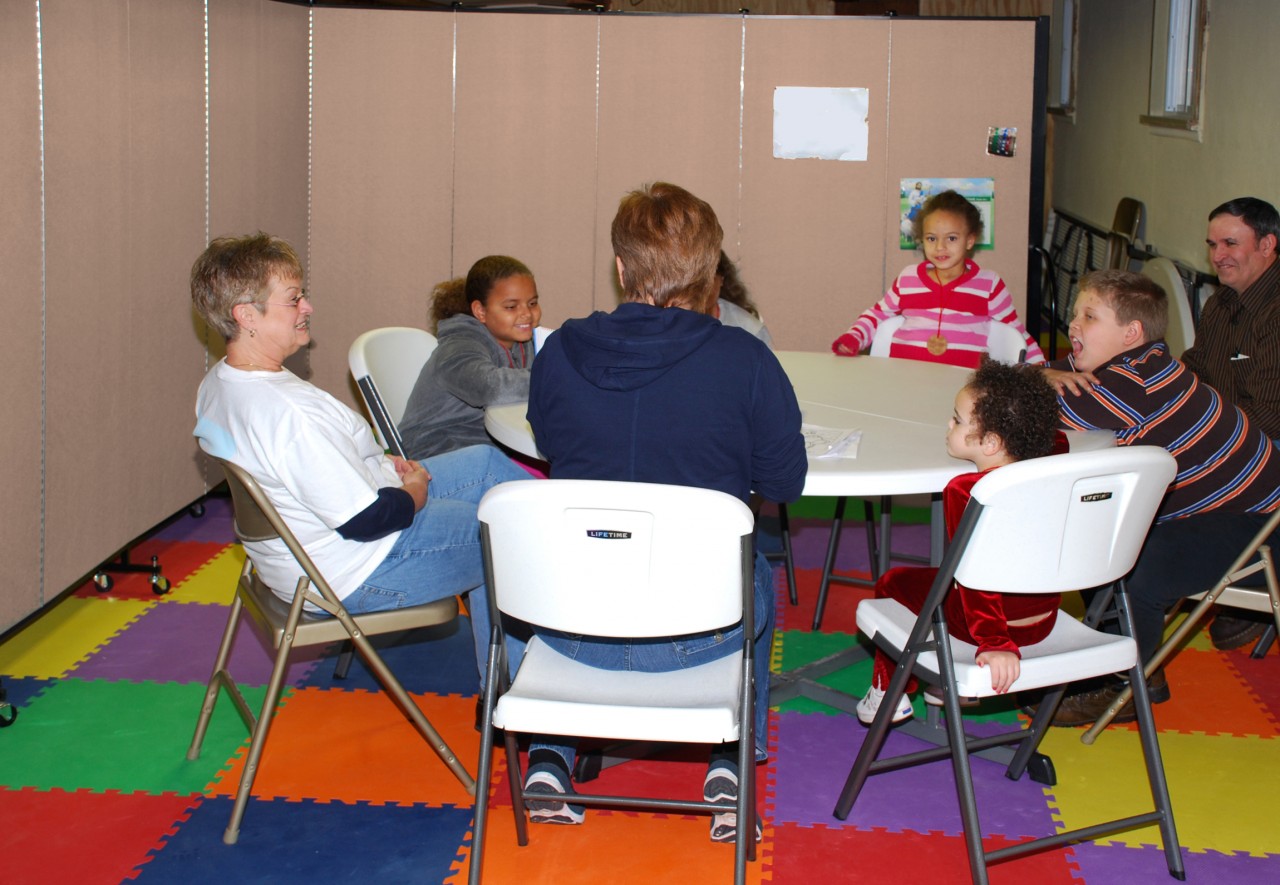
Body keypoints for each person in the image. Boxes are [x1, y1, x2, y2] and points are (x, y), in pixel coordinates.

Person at [523, 182, 807, 842]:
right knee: (756, 568)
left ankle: (548, 757)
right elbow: (784, 482)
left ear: (621, 268)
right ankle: (730, 760)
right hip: (702, 631)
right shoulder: (746, 359)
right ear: (711, 274)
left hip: (572, 626)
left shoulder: (558, 350)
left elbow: (552, 445)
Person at [189, 233, 528, 688]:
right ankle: (514, 690)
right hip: (359, 568)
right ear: (246, 315)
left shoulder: (221, 382)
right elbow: (366, 520)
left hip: (309, 553)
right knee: (513, 532)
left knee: (485, 463)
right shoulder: (286, 414)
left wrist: (382, 465)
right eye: (293, 299)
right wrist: (413, 491)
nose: (307, 307)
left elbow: (314, 470)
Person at [1041, 269, 1280, 726]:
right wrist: (1046, 373)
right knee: (1100, 539)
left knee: (1130, 565)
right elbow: (1052, 379)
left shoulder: (1135, 382)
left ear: (1131, 333)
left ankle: (1125, 685)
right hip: (1240, 510)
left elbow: (1034, 405)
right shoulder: (1134, 360)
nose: (1073, 324)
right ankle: (1129, 664)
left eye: (1089, 316)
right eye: (1076, 313)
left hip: (1264, 530)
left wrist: (1034, 377)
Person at [855, 361, 1062, 725]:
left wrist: (995, 642)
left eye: (957, 420)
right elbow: (1059, 439)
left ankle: (890, 691)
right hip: (1044, 620)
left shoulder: (968, 490)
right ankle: (942, 686)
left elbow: (974, 579)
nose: (949, 425)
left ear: (991, 442)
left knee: (892, 582)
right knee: (945, 578)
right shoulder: (1050, 466)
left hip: (998, 628)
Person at [1181, 198, 1280, 650]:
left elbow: (1270, 416)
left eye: (1230, 243)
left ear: (1267, 245)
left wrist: (1202, 440)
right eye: (1212, 245)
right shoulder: (1222, 303)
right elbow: (1197, 368)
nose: (1218, 255)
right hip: (1238, 435)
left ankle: (1251, 575)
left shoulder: (1273, 312)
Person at [831, 190, 1044, 368]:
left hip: (962, 387)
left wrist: (1042, 369)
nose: (940, 247)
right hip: (903, 379)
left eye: (951, 238)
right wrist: (854, 337)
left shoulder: (989, 284)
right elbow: (877, 314)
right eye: (931, 238)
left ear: (970, 240)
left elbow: (1016, 331)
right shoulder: (908, 278)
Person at [399, 255, 541, 461]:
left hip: (490, 447)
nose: (526, 313)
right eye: (511, 307)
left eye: (532, 303)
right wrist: (551, 378)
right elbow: (490, 387)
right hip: (434, 453)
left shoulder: (524, 342)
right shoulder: (458, 345)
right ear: (480, 311)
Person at [712, 251, 773, 347]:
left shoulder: (750, 330)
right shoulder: (684, 324)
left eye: (708, 280)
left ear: (721, 280)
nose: (700, 290)